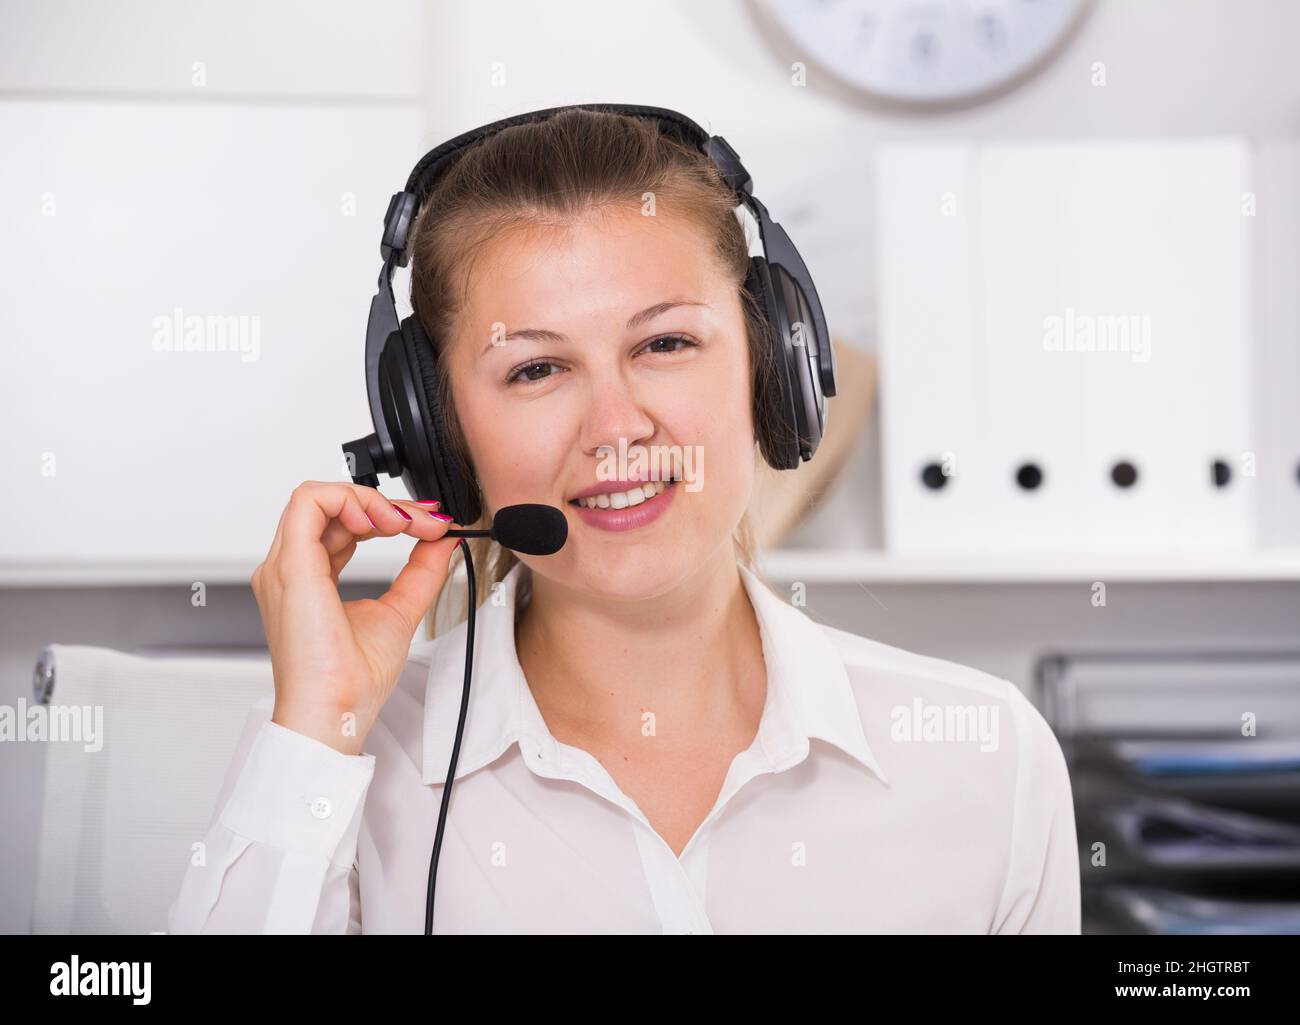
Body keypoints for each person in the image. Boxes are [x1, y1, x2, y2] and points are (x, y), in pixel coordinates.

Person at [166, 107, 1080, 934]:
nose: (616, 427)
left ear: (772, 369)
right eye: (535, 369)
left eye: (665, 343)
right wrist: (316, 735)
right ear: (437, 434)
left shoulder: (986, 757)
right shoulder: (341, 766)